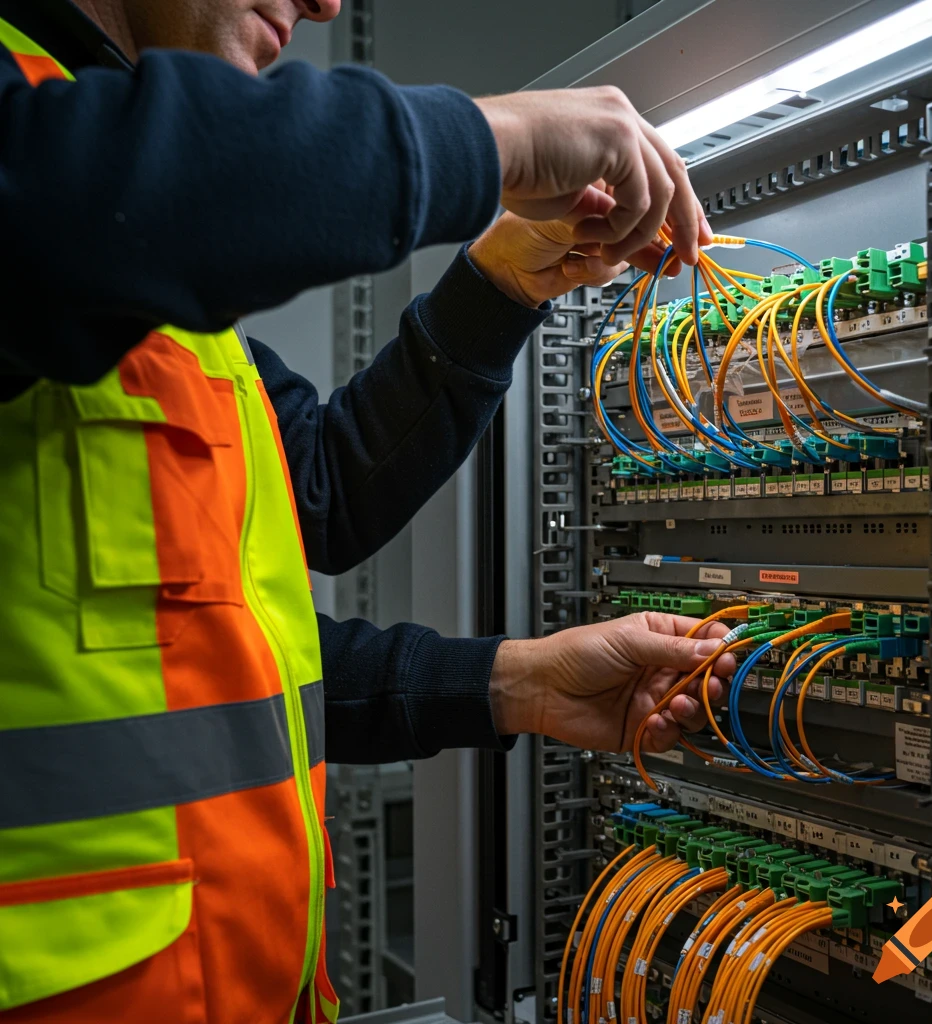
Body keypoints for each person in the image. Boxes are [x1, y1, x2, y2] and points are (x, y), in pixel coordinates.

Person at [0, 0, 736, 1021]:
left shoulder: (140, 268)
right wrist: (500, 138)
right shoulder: (70, 175)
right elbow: (79, 202)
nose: (326, 3)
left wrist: (517, 682)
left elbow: (319, 504)